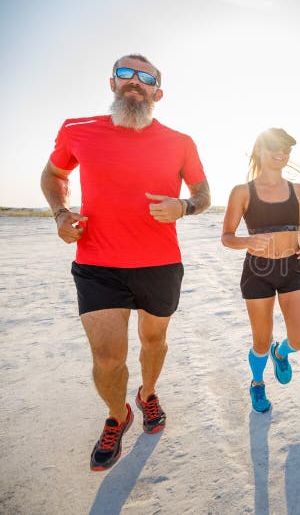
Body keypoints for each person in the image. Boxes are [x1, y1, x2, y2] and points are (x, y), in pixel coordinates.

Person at [40, 54, 211, 471]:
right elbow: (53, 176)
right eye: (126, 74)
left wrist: (184, 207)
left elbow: (204, 194)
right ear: (112, 83)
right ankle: (117, 415)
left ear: (158, 92)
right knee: (107, 357)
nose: (135, 81)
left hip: (159, 263)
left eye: (145, 78)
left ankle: (147, 394)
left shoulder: (180, 141)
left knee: (154, 343)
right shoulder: (77, 129)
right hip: (98, 263)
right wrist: (61, 213)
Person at [221, 128, 300, 413]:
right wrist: (247, 241)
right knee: (260, 339)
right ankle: (257, 383)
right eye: (275, 146)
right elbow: (227, 236)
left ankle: (280, 352)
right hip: (257, 270)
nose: (282, 153)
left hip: (292, 266)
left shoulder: (298, 190)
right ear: (259, 150)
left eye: (287, 148)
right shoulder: (241, 192)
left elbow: (299, 226)